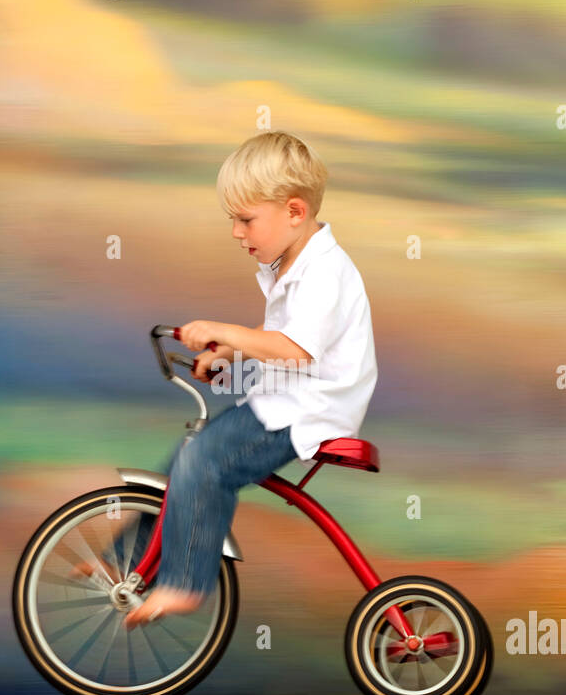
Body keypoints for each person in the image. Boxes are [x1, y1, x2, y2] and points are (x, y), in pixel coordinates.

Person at [121, 130, 377, 628]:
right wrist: (231, 353)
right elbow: (279, 340)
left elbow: (297, 350)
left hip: (307, 413)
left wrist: (224, 330)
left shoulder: (324, 273)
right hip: (282, 403)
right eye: (232, 221)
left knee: (203, 462)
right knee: (181, 466)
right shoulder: (295, 266)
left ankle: (184, 583)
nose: (237, 233)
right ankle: (128, 569)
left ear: (295, 213)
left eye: (245, 220)